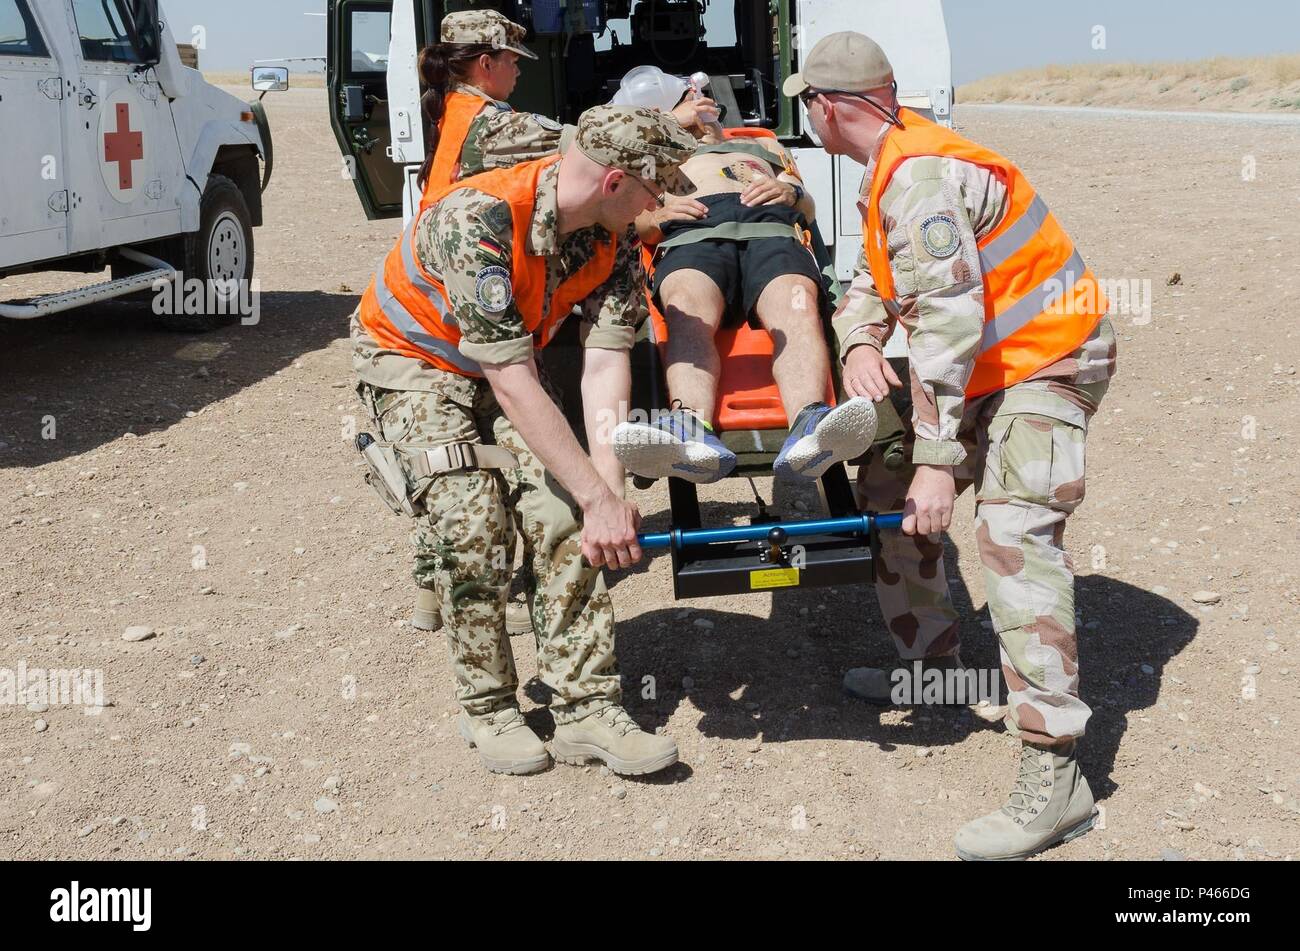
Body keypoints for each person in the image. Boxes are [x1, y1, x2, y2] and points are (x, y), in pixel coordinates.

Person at [786, 32, 1117, 859]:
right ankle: (937, 673)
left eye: (806, 104)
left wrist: (941, 461)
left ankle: (1056, 771)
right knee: (887, 488)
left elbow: (947, 325)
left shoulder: (921, 176)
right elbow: (867, 280)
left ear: (825, 107)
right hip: (986, 367)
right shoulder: (891, 164)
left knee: (1010, 531)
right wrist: (860, 339)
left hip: (1050, 359)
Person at [350, 106, 697, 777]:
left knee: (567, 512)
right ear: (616, 181)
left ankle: (586, 707)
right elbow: (509, 380)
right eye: (658, 194)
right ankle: (488, 707)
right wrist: (596, 491)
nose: (661, 208)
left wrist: (609, 488)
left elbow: (604, 361)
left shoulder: (612, 235)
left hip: (505, 366)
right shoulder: (478, 218)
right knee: (471, 522)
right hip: (415, 367)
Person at [605, 67, 877, 484]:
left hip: (770, 228)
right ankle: (690, 430)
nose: (703, 103)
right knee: (687, 315)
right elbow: (633, 224)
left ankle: (809, 424)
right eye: (688, 99)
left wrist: (793, 194)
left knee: (797, 306)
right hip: (692, 236)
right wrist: (656, 215)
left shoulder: (761, 147)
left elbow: (807, 209)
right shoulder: (653, 159)